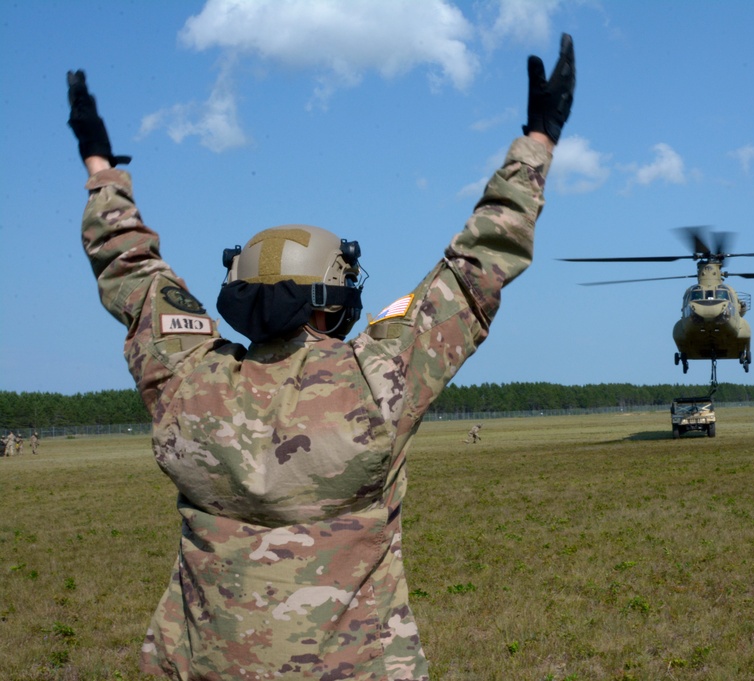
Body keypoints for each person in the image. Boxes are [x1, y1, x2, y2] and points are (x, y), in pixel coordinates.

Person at [67, 33, 574, 681]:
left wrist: (99, 163)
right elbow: (475, 269)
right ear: (332, 300)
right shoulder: (371, 383)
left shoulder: (187, 381)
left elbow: (129, 265)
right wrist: (537, 142)